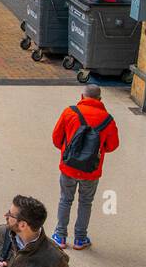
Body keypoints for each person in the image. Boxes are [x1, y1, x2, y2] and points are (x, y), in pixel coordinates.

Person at [51, 83, 120, 250]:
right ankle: (80, 239)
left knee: (65, 199)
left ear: (82, 97)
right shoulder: (108, 119)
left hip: (68, 167)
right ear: (100, 99)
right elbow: (112, 145)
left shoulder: (69, 112)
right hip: (91, 171)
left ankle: (60, 236)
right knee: (86, 202)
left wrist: (68, 151)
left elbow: (56, 138)